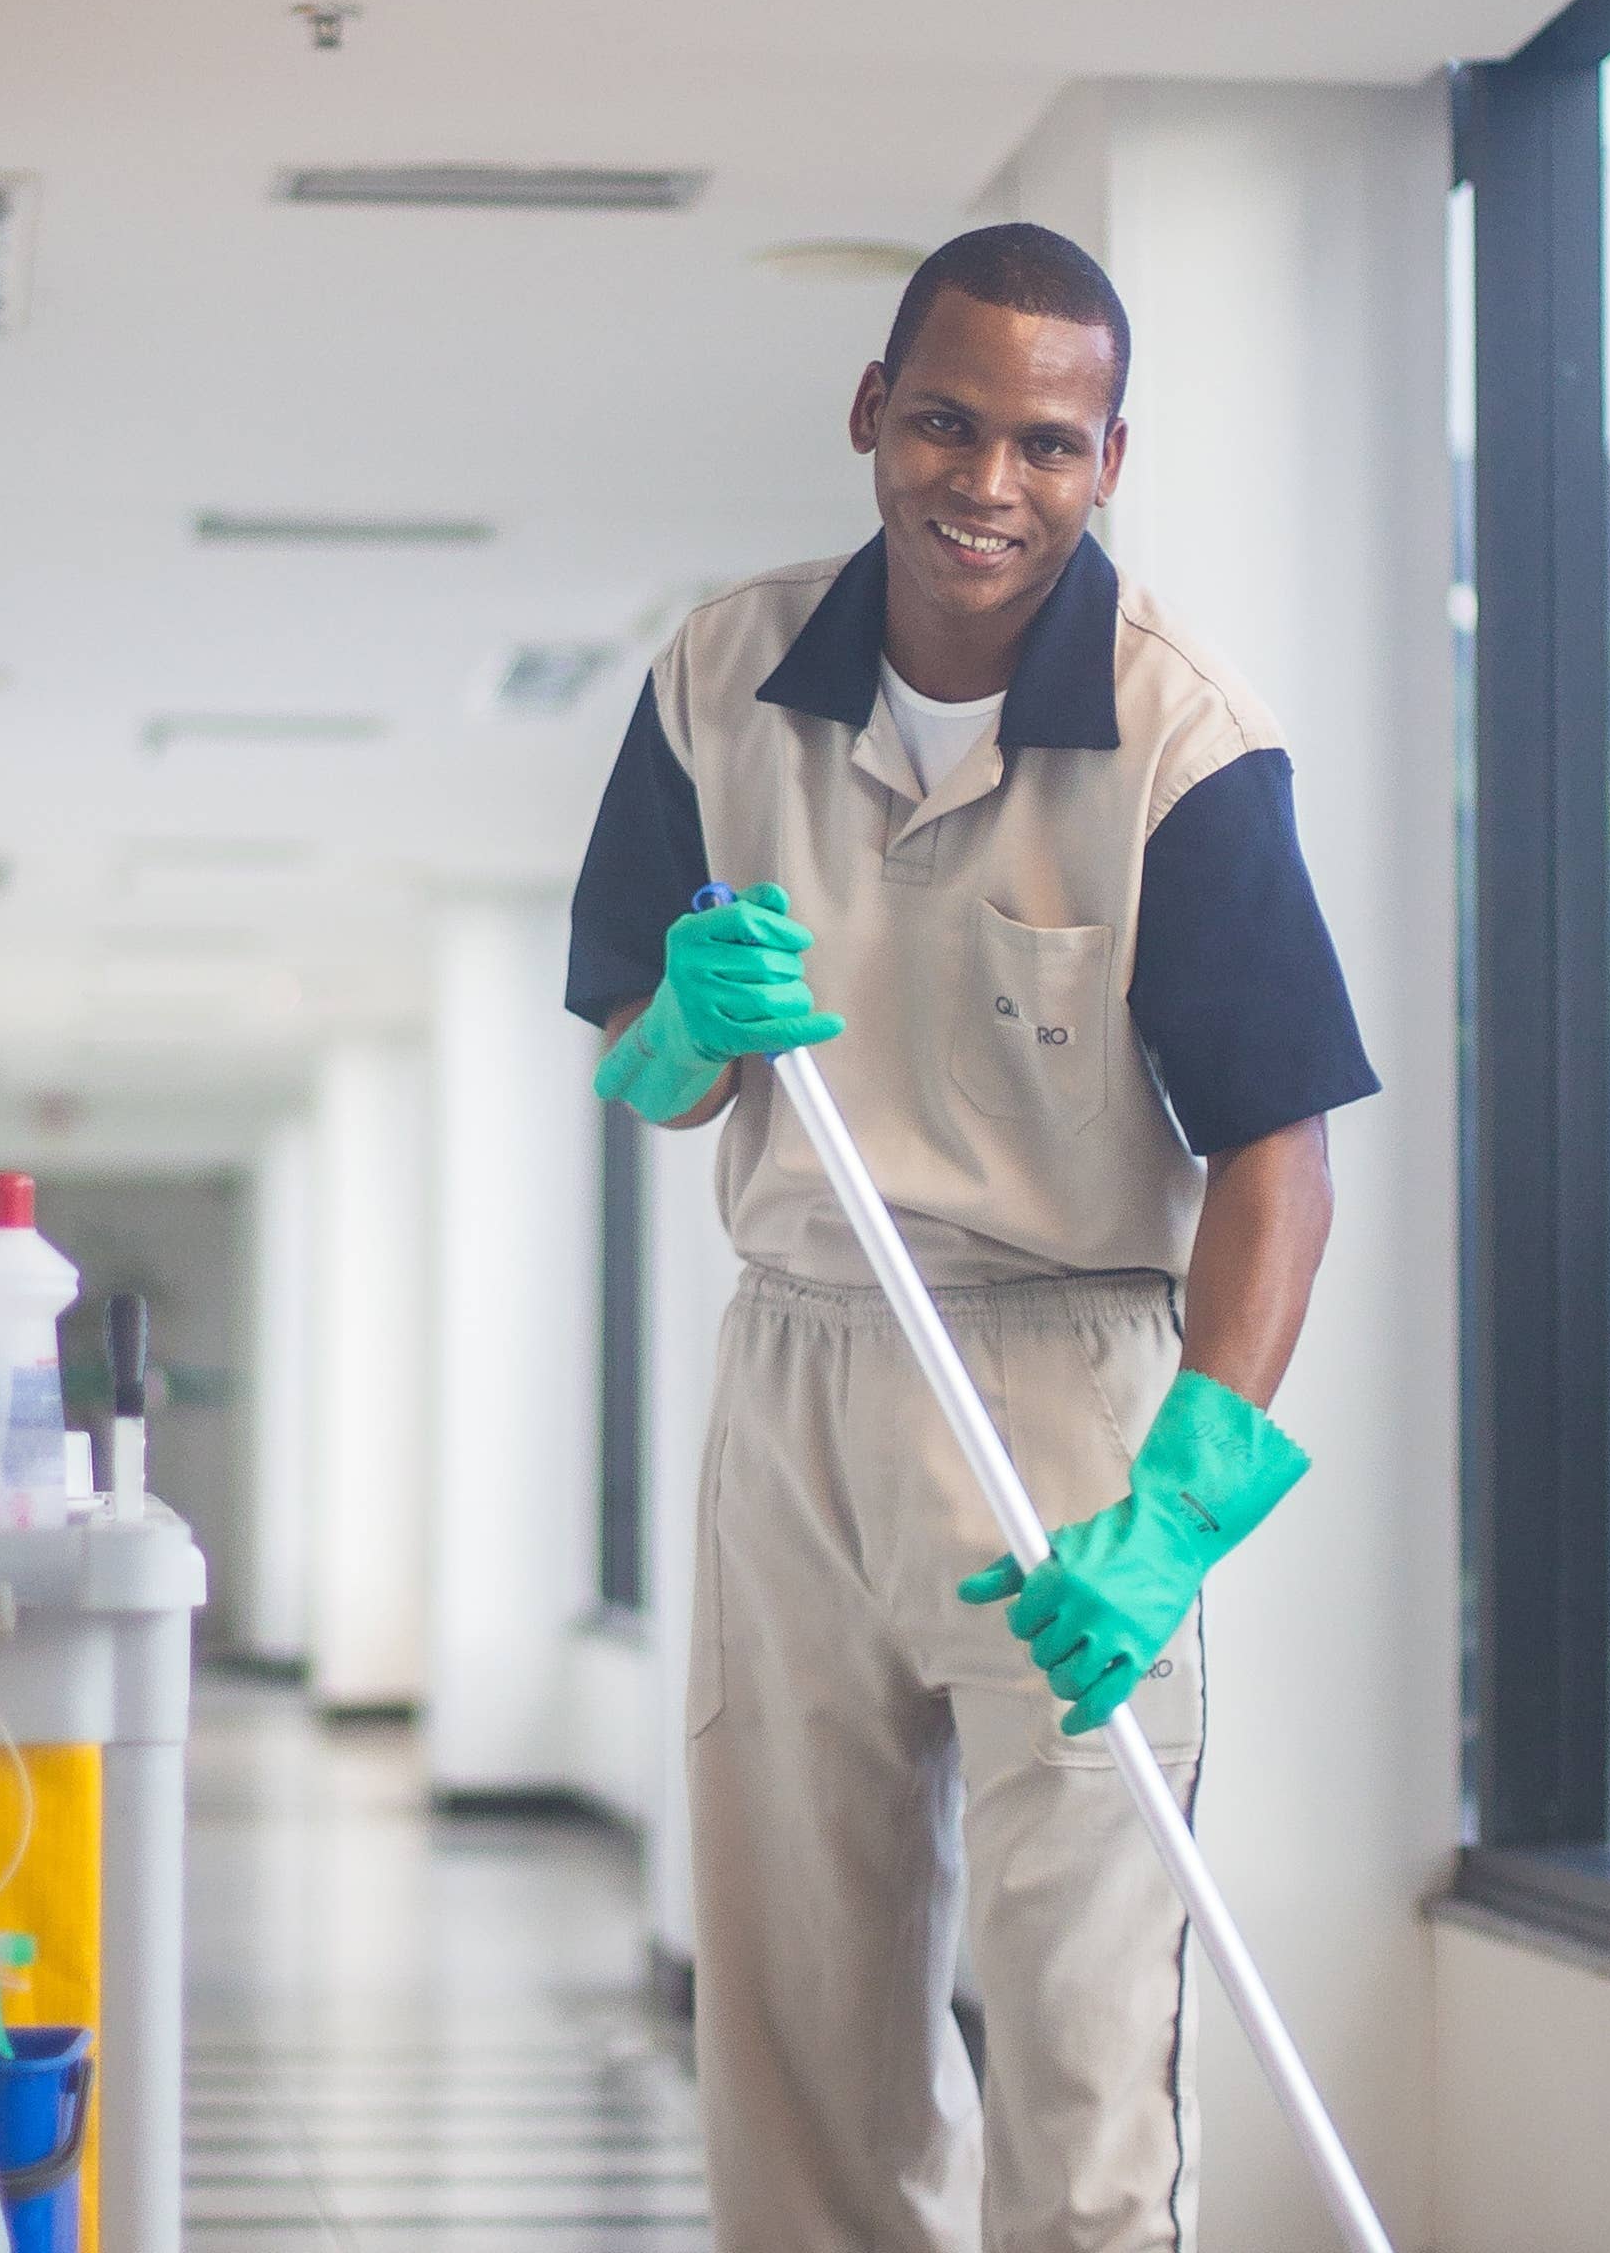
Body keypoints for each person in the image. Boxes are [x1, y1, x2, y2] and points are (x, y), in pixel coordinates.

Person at [565, 223, 1375, 2252]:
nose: (986, 484)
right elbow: (639, 1076)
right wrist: (685, 1021)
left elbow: (1281, 1156)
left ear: (1108, 459)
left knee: (1088, 2051)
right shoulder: (718, 681)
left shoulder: (1189, 743)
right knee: (799, 2038)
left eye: (1046, 442)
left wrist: (1181, 1507)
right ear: (872, 414)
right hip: (800, 1383)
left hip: (1074, 1397)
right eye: (944, 422)